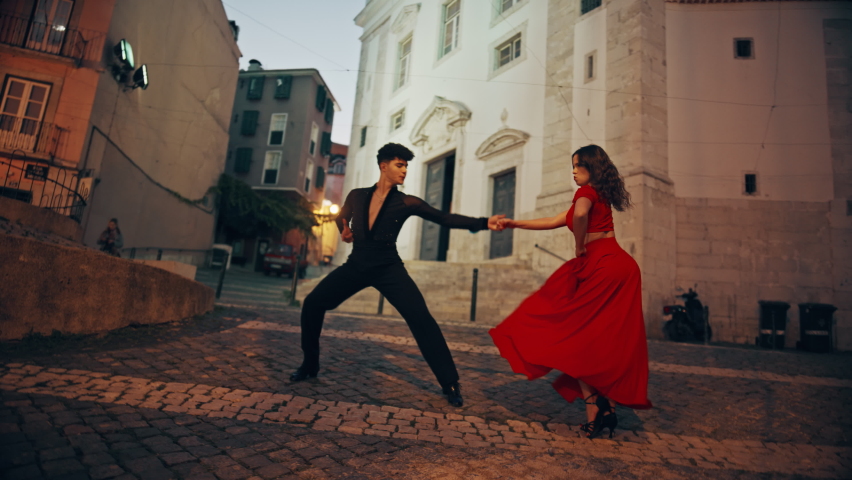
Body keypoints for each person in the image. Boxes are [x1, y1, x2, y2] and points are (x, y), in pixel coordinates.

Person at [291, 143, 505, 407]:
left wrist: (484, 222)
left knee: (422, 319)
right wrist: (343, 230)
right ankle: (309, 364)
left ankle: (450, 382)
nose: (404, 171)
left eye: (406, 166)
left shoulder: (406, 202)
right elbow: (342, 216)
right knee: (312, 303)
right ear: (384, 166)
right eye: (400, 165)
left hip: (388, 269)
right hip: (356, 266)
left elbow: (444, 218)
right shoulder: (357, 196)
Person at [490, 144, 652, 439]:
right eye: (573, 166)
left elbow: (579, 216)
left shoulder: (586, 192)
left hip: (601, 266)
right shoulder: (600, 193)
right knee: (605, 341)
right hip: (622, 266)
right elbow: (554, 220)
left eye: (579, 166)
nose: (574, 171)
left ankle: (594, 411)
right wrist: (514, 222)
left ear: (592, 168)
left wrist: (579, 245)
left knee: (579, 340)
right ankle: (608, 410)